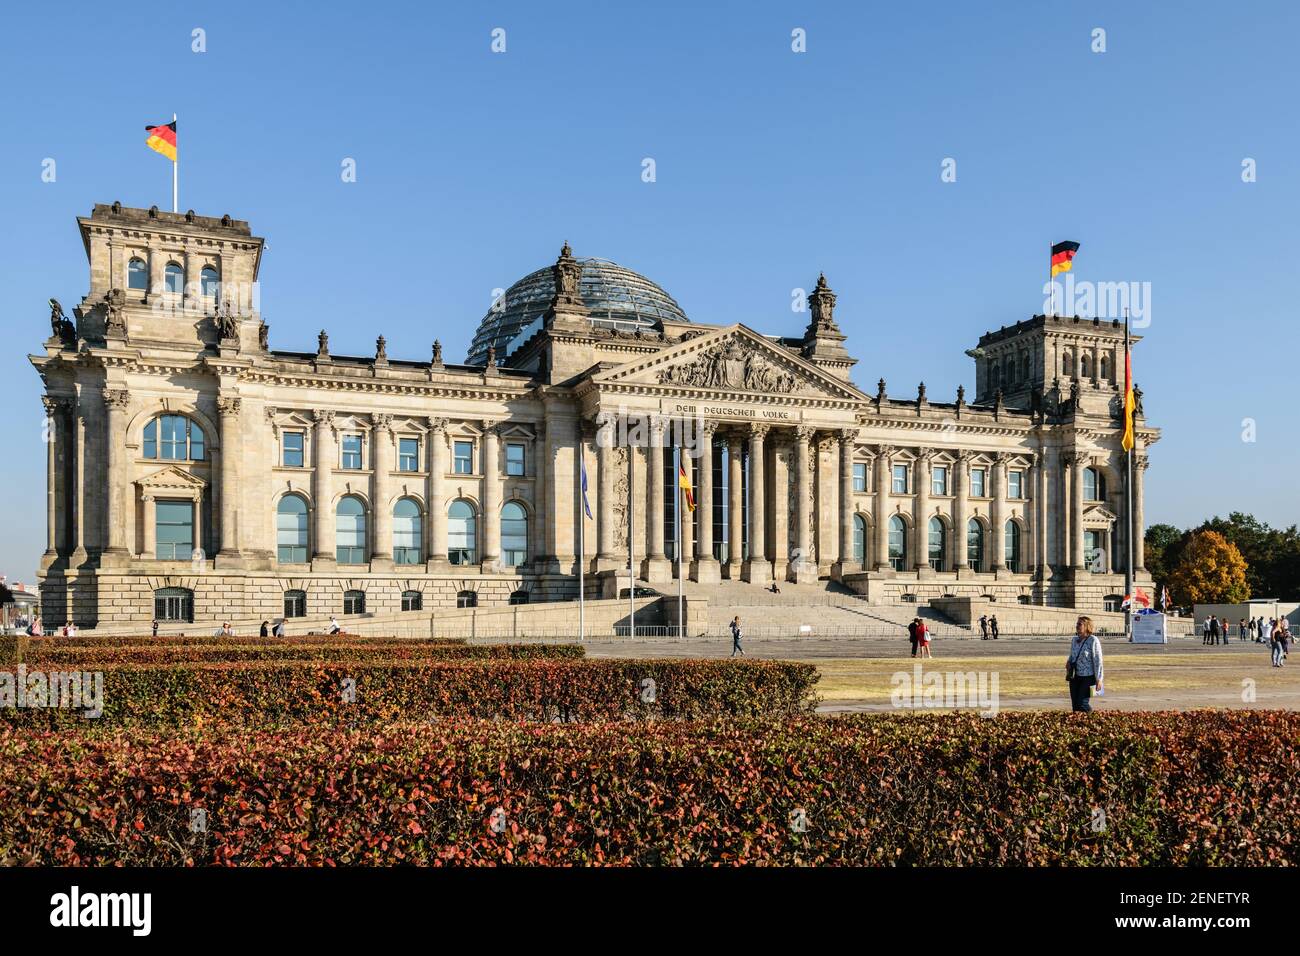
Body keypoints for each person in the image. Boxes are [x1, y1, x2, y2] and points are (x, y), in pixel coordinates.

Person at [1066, 615, 1104, 712]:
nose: (1077, 626)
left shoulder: (1093, 640)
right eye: (1077, 624)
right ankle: (1077, 725)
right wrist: (1069, 662)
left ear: (1087, 626)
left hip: (1088, 677)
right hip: (1075, 676)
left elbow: (1098, 660)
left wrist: (1099, 679)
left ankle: (1093, 720)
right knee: (1075, 706)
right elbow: (1072, 655)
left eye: (1080, 624)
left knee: (1082, 703)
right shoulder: (1075, 640)